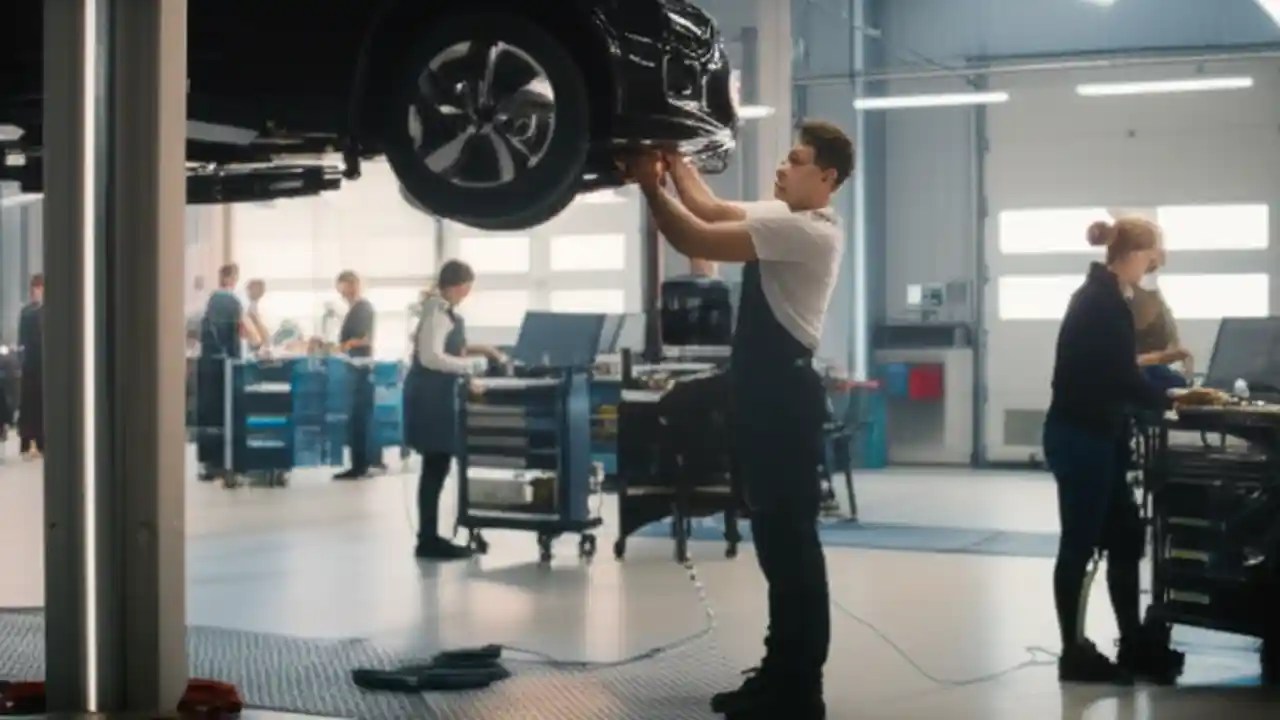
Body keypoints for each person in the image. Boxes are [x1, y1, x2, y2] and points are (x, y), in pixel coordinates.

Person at [630, 119, 853, 719]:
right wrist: (675, 161)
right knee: (777, 547)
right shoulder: (785, 218)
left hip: (782, 398)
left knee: (792, 549)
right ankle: (781, 671)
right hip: (763, 395)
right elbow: (711, 204)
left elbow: (693, 234)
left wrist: (651, 189)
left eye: (796, 159)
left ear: (826, 177)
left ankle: (799, 688)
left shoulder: (812, 232)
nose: (782, 167)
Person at [1043, 218, 1186, 685]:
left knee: (1125, 536)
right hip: (1080, 437)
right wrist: (1170, 399)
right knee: (1079, 544)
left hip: (1099, 435)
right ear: (1136, 253)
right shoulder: (1101, 301)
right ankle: (1073, 652)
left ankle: (1132, 642)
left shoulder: (1106, 296)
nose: (1153, 265)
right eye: (1152, 256)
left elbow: (1118, 370)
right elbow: (1120, 377)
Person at [402, 260, 508, 559]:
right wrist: (473, 365)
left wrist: (473, 364)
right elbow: (432, 357)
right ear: (458, 285)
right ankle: (428, 540)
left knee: (438, 464)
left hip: (436, 393)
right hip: (430, 396)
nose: (467, 294)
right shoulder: (437, 312)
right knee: (436, 464)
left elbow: (448, 352)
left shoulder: (443, 312)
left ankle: (430, 536)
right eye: (467, 288)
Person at [196, 263, 262, 481]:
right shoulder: (233, 301)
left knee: (210, 416)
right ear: (234, 278)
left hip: (208, 368)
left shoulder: (211, 301)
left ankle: (210, 465)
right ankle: (230, 463)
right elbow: (252, 335)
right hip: (228, 368)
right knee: (230, 414)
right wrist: (258, 343)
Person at [1130, 234, 1191, 390]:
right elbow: (1117, 365)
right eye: (1156, 248)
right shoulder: (1124, 296)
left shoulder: (1152, 291)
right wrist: (1162, 357)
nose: (1162, 254)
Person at [333, 270, 377, 479]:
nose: (342, 293)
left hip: (361, 370)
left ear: (353, 284)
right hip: (354, 370)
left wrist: (346, 345)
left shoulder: (363, 308)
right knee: (357, 420)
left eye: (343, 287)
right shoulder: (354, 310)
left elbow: (365, 339)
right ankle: (360, 464)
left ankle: (360, 466)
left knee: (360, 419)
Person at [661, 256, 734, 346]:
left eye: (709, 257)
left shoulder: (728, 290)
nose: (706, 263)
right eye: (701, 257)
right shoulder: (675, 288)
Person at [17, 274, 44, 459]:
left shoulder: (33, 312)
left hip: (38, 365)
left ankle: (37, 442)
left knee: (37, 404)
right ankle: (29, 442)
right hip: (32, 365)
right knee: (31, 404)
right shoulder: (28, 312)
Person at [244, 278, 272, 354]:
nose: (248, 291)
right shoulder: (249, 306)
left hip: (258, 343)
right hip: (254, 343)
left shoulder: (256, 306)